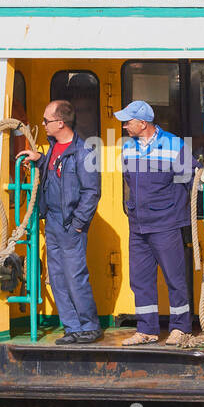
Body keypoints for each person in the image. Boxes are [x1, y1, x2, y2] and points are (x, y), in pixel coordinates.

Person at [115, 100, 194, 346]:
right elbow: (129, 180)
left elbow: (191, 180)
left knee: (174, 277)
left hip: (166, 224)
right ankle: (147, 329)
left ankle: (181, 329)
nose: (125, 126)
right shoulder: (128, 148)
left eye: (128, 122)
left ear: (142, 123)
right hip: (138, 226)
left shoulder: (174, 145)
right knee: (140, 279)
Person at [26, 100, 102, 344]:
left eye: (46, 120)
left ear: (60, 123)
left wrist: (78, 223)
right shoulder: (53, 150)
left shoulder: (84, 151)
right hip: (53, 223)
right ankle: (72, 328)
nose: (43, 124)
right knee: (57, 277)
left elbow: (92, 192)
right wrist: (39, 159)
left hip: (70, 225)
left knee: (74, 276)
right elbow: (54, 174)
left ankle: (89, 327)